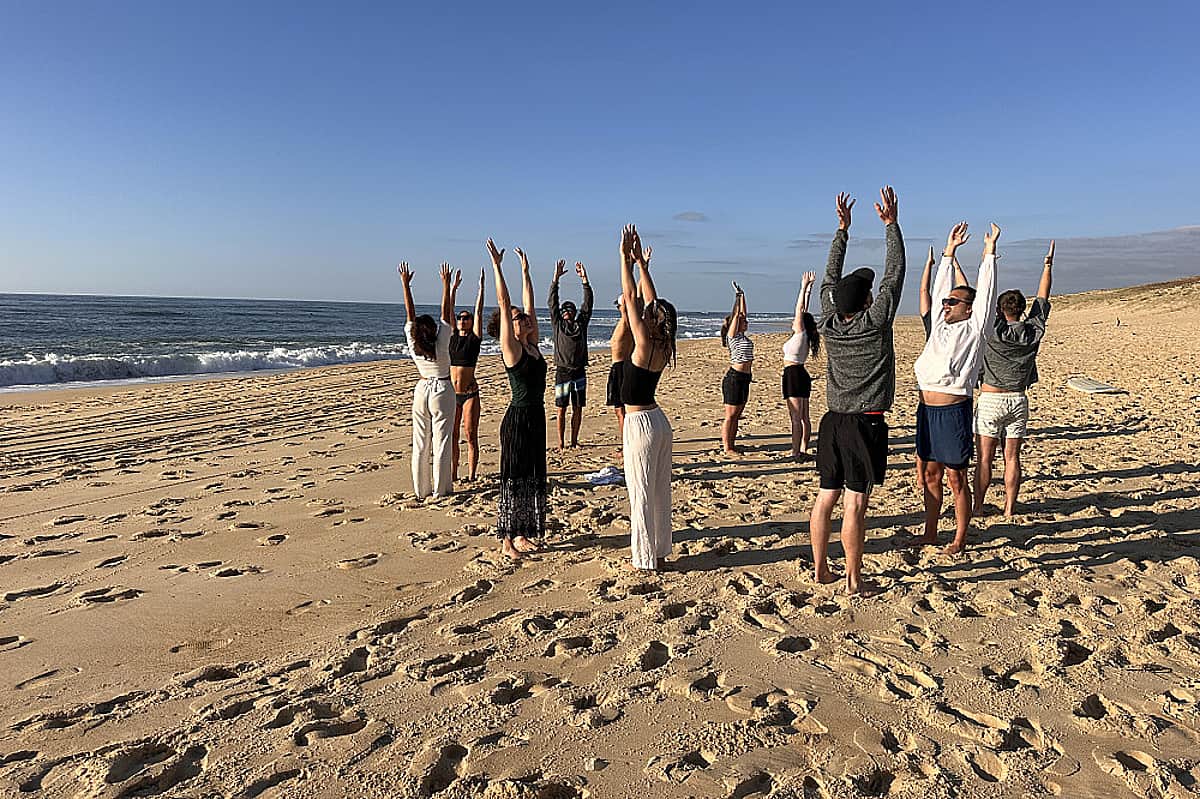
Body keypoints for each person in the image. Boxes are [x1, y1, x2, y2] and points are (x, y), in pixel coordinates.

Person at [809, 188, 905, 596]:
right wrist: (891, 226)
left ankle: (820, 569)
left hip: (832, 422)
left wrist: (841, 232)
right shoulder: (874, 323)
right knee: (855, 503)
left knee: (825, 497)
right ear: (867, 302)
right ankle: (853, 579)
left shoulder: (829, 325)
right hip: (865, 424)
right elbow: (894, 276)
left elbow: (828, 281)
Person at [911, 222, 1000, 554]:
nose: (946, 304)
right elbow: (937, 293)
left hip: (952, 412)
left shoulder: (975, 329)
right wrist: (948, 253)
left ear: (969, 308)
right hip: (926, 411)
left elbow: (987, 294)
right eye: (946, 301)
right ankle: (931, 532)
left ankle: (960, 538)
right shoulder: (939, 325)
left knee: (955, 478)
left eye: (953, 301)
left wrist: (988, 253)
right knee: (930, 475)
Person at [973, 240, 1055, 517]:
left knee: (985, 459)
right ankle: (1009, 508)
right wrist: (1047, 266)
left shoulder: (993, 330)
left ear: (999, 311)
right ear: (1022, 309)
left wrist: (988, 255)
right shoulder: (1033, 331)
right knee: (1012, 458)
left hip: (991, 399)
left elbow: (983, 296)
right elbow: (1043, 298)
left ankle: (978, 506)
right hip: (1018, 399)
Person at [619, 224, 677, 571]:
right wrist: (641, 263)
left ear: (653, 321)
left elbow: (630, 297)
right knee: (659, 492)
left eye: (648, 315)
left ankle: (644, 559)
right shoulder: (664, 344)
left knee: (640, 492)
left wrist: (622, 258)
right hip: (658, 422)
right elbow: (650, 302)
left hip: (640, 423)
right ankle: (659, 552)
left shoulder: (643, 343)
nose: (643, 313)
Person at [486, 239, 547, 560]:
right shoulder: (511, 349)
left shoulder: (533, 344)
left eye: (524, 317)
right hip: (518, 419)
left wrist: (526, 272)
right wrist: (498, 266)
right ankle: (507, 540)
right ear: (507, 327)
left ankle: (522, 533)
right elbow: (504, 300)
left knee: (531, 477)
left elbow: (528, 303)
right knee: (513, 477)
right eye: (517, 318)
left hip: (537, 416)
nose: (524, 318)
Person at [398, 261, 456, 500]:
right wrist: (446, 285)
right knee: (442, 442)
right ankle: (440, 490)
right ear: (433, 330)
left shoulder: (414, 344)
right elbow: (445, 313)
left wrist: (405, 285)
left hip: (422, 388)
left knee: (420, 442)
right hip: (442, 388)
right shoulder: (441, 343)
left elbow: (410, 315)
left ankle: (420, 490)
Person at [548, 259, 594, 449]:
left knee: (578, 408)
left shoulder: (581, 324)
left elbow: (588, 304)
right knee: (561, 409)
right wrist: (556, 279)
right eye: (564, 310)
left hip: (579, 372)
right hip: (562, 372)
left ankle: (574, 441)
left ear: (574, 313)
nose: (566, 312)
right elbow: (552, 302)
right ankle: (561, 442)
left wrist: (584, 280)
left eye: (569, 310)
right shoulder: (558, 324)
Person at [449, 267, 485, 482]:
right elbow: (449, 309)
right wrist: (452, 288)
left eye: (466, 318)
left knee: (470, 434)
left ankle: (471, 475)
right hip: (452, 394)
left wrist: (481, 288)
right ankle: (453, 474)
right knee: (453, 436)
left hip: (470, 394)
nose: (463, 320)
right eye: (460, 318)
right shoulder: (452, 336)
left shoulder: (474, 339)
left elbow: (479, 312)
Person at [782, 270, 820, 458]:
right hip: (802, 374)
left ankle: (796, 452)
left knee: (796, 418)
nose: (794, 320)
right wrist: (809, 289)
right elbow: (803, 311)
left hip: (793, 375)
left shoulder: (800, 333)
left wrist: (803, 286)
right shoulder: (806, 336)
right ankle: (803, 449)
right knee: (804, 417)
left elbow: (799, 310)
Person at [720, 282, 753, 456]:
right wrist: (737, 298)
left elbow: (742, 313)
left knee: (737, 414)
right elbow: (737, 315)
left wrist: (743, 295)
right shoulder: (732, 336)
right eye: (743, 321)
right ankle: (727, 447)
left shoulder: (742, 336)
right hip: (734, 378)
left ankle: (732, 444)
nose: (746, 321)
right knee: (731, 415)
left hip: (745, 378)